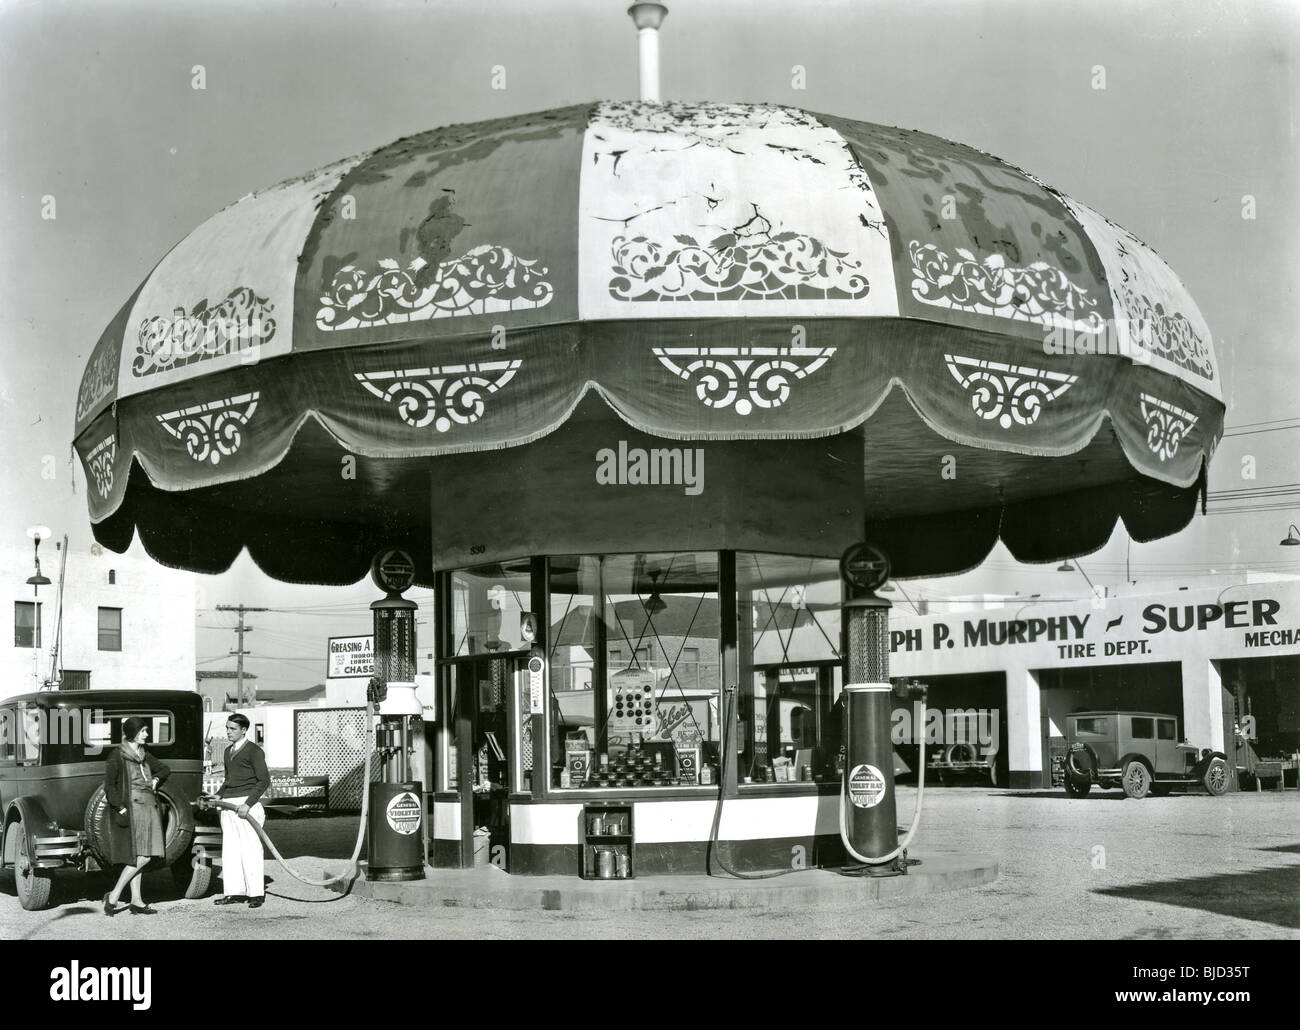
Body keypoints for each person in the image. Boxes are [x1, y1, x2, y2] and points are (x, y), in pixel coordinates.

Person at [103, 716, 169, 916]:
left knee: (141, 855)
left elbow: (164, 769)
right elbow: (110, 785)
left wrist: (156, 779)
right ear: (133, 733)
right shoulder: (117, 755)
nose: (147, 735)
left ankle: (136, 900)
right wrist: (119, 807)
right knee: (143, 856)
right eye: (143, 732)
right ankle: (114, 895)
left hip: (149, 808)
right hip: (132, 810)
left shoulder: (144, 753)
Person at [213, 713, 270, 909]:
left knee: (250, 848)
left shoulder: (254, 751)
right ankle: (234, 892)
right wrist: (219, 795)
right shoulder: (228, 751)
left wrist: (248, 803)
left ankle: (255, 894)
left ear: (244, 730)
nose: (228, 732)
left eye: (233, 729)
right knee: (230, 849)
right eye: (227, 728)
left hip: (247, 806)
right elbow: (228, 781)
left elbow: (264, 780)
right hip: (228, 807)